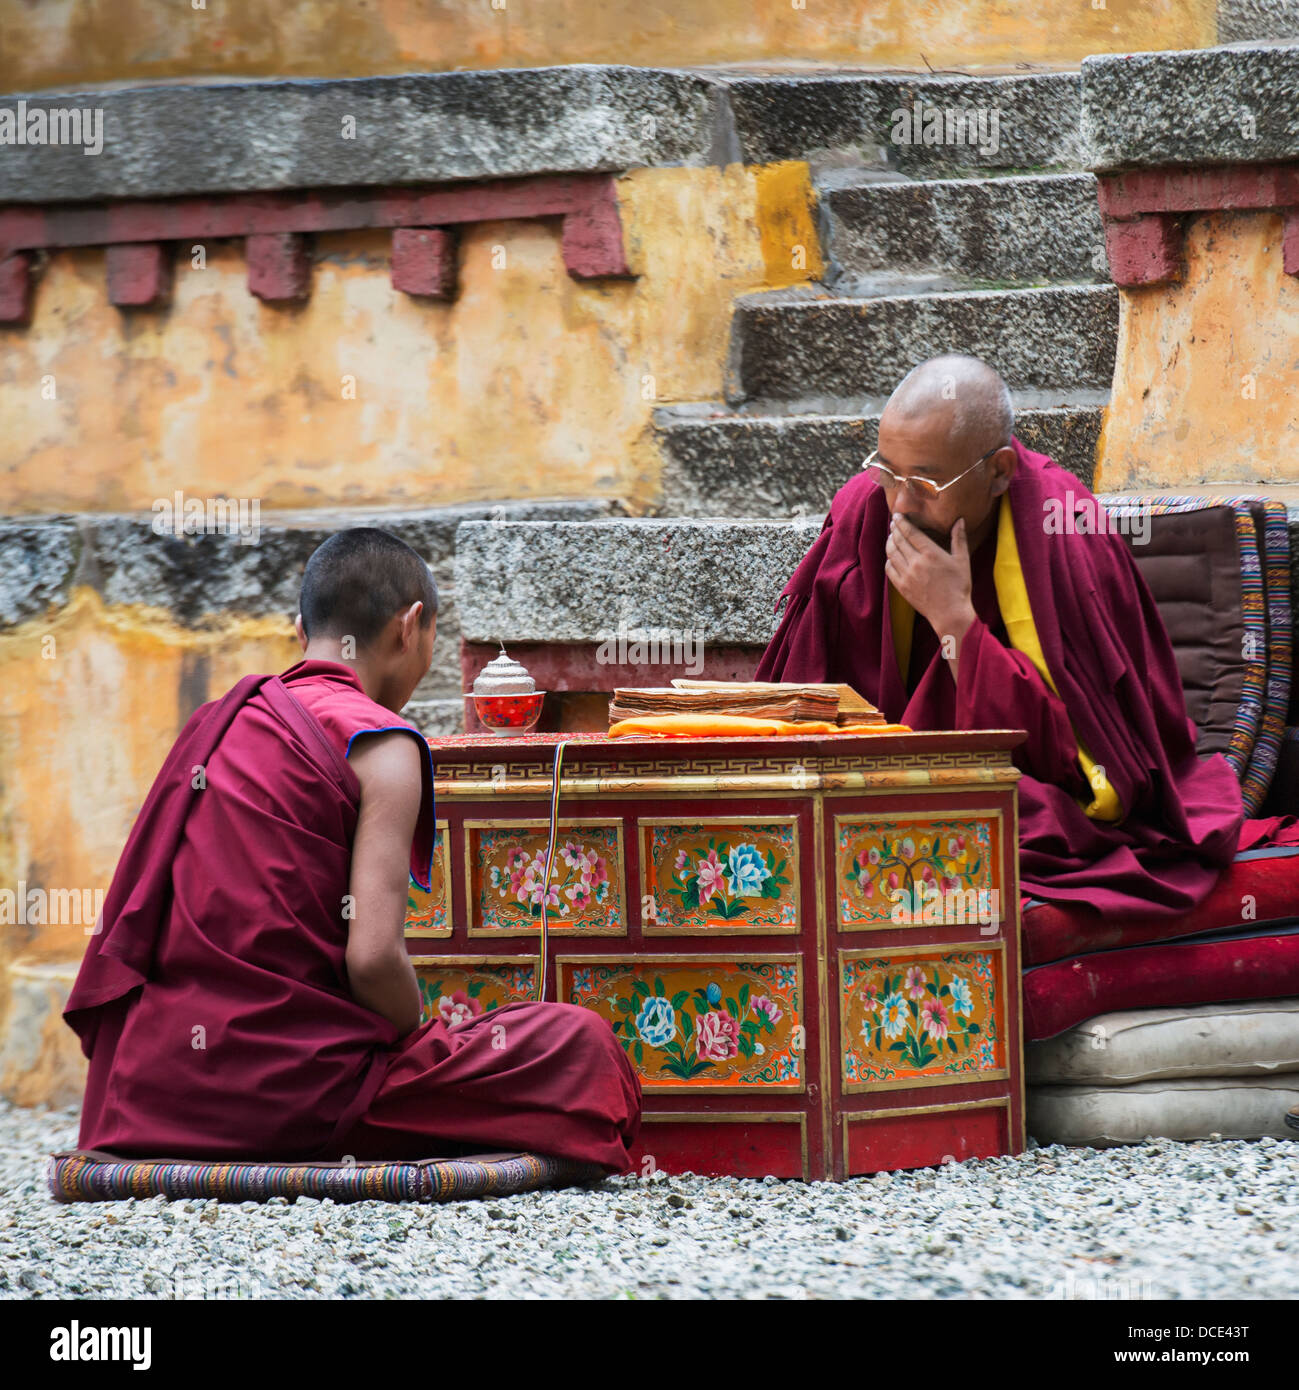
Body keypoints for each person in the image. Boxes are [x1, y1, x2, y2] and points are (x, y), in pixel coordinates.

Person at [65, 528, 641, 1170]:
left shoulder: (220, 722)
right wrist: (422, 1042)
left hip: (157, 1088)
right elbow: (370, 962)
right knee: (577, 1042)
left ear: (298, 628)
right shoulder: (381, 743)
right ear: (411, 625)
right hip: (297, 1092)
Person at [755, 354, 1246, 918]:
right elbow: (809, 701)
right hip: (887, 784)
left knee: (1021, 824)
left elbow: (1077, 759)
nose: (900, 504)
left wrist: (955, 622)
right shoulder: (865, 512)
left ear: (999, 471)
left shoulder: (1064, 528)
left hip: (1016, 786)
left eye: (926, 483)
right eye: (887, 472)